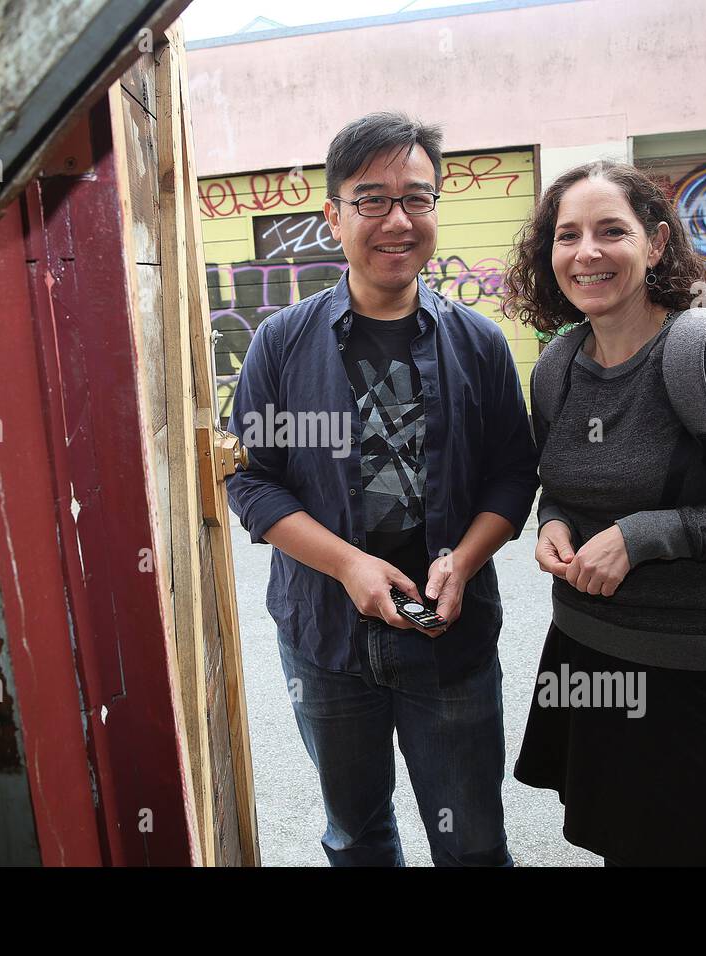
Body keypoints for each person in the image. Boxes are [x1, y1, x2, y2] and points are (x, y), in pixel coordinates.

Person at [225, 113, 539, 866]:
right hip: (326, 640)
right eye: (372, 199)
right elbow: (254, 482)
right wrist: (350, 567)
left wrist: (461, 562)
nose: (398, 220)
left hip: (449, 635)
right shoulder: (281, 342)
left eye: (417, 198)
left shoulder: (480, 343)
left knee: (472, 844)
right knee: (356, 838)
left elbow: (511, 475)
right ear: (333, 215)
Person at [503, 160, 706, 866]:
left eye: (611, 231)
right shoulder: (557, 365)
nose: (587, 252)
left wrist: (646, 537)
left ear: (657, 243)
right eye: (567, 235)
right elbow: (563, 486)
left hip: (700, 675)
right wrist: (553, 523)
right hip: (588, 652)